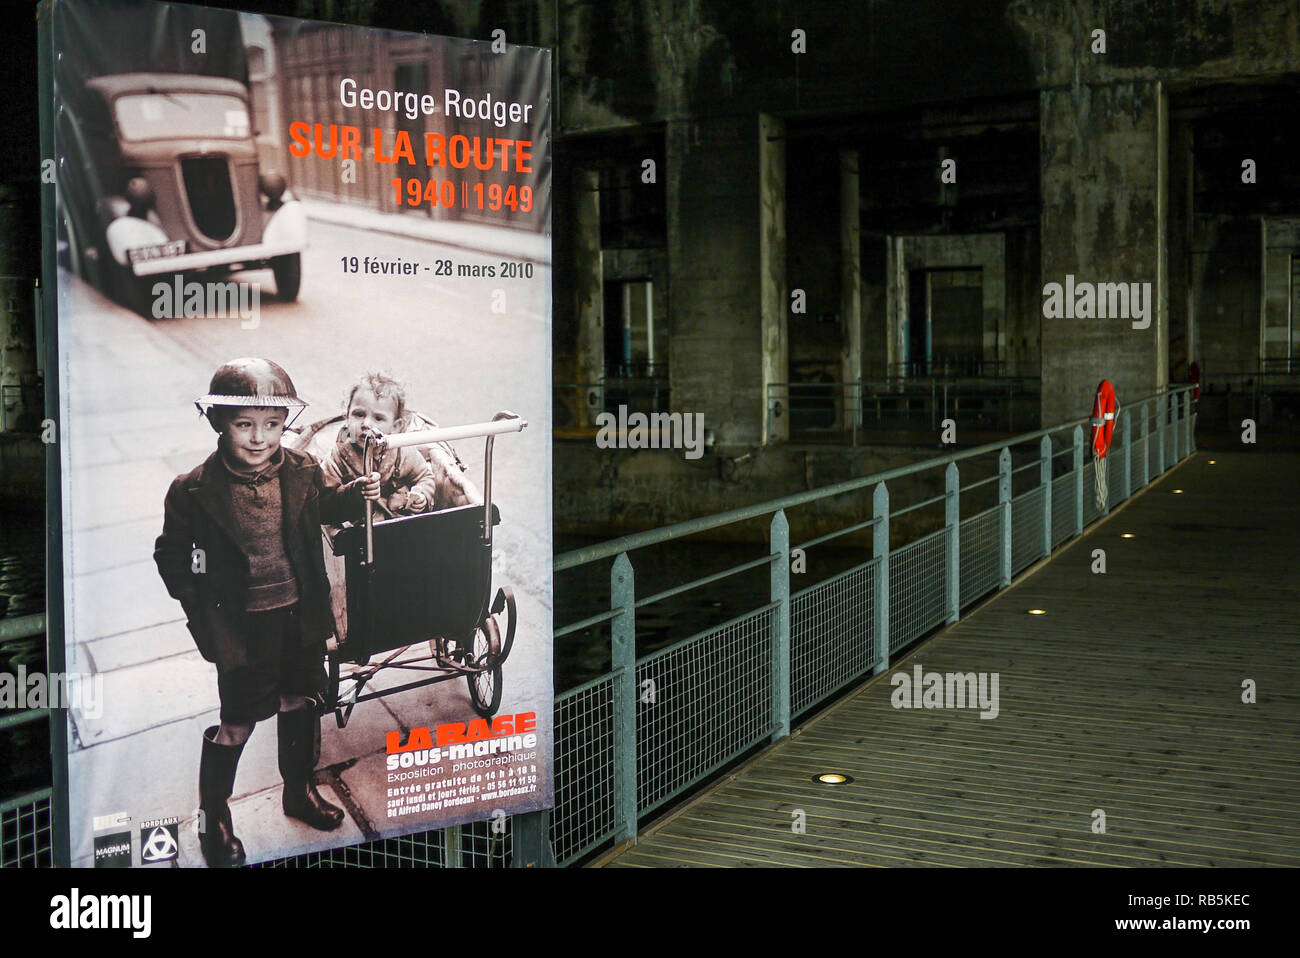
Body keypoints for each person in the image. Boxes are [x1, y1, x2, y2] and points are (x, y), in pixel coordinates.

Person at [153, 358, 380, 867]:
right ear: (219, 423)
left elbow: (320, 509)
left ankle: (297, 792)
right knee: (236, 723)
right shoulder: (192, 490)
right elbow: (172, 557)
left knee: (299, 701)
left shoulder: (301, 471)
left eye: (273, 425)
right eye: (244, 425)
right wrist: (204, 611)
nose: (260, 438)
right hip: (242, 630)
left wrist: (352, 495)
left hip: (298, 618)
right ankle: (214, 818)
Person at [324, 371, 476, 520]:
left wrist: (421, 495)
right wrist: (352, 494)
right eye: (358, 415)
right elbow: (328, 498)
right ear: (347, 417)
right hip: (358, 527)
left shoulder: (401, 450)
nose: (366, 424)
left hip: (398, 521)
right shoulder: (338, 456)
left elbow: (424, 476)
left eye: (378, 418)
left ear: (395, 426)